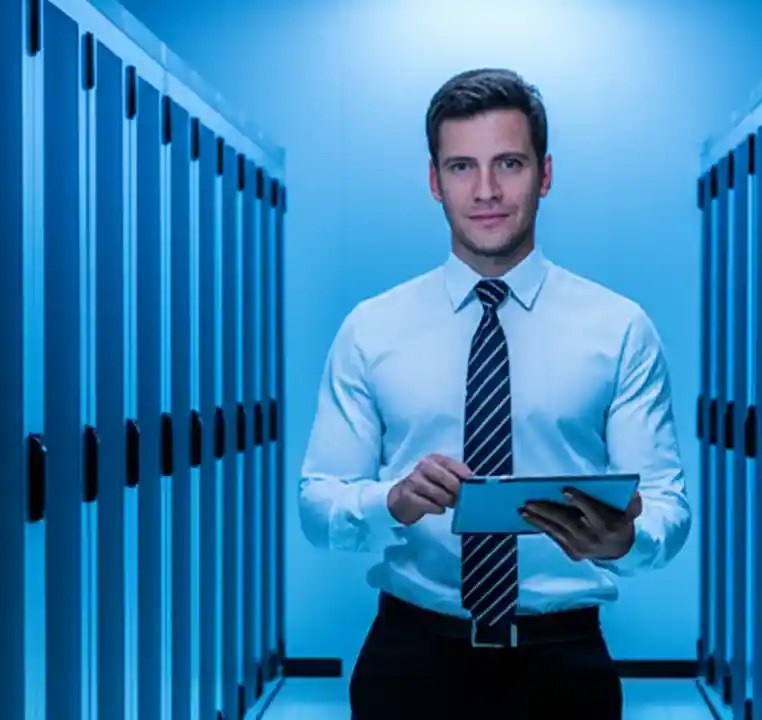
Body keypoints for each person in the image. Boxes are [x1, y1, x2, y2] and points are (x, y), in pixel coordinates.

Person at [297, 67, 692, 720]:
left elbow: (669, 509)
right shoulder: (372, 328)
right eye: (461, 167)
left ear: (545, 173)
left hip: (563, 667)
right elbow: (318, 506)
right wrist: (389, 500)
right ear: (434, 181)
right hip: (410, 663)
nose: (485, 191)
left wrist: (624, 539)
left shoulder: (619, 328)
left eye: (508, 163)